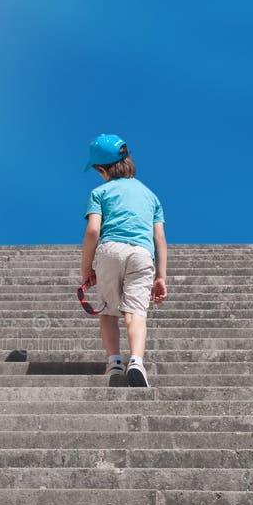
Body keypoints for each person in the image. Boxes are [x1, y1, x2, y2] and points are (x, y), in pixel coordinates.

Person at [80, 133, 167, 387]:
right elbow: (159, 237)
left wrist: (86, 269)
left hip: (110, 250)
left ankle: (115, 362)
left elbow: (93, 231)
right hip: (142, 254)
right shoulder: (150, 196)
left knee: (108, 311)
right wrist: (161, 276)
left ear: (100, 169)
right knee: (136, 312)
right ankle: (137, 361)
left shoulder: (99, 192)